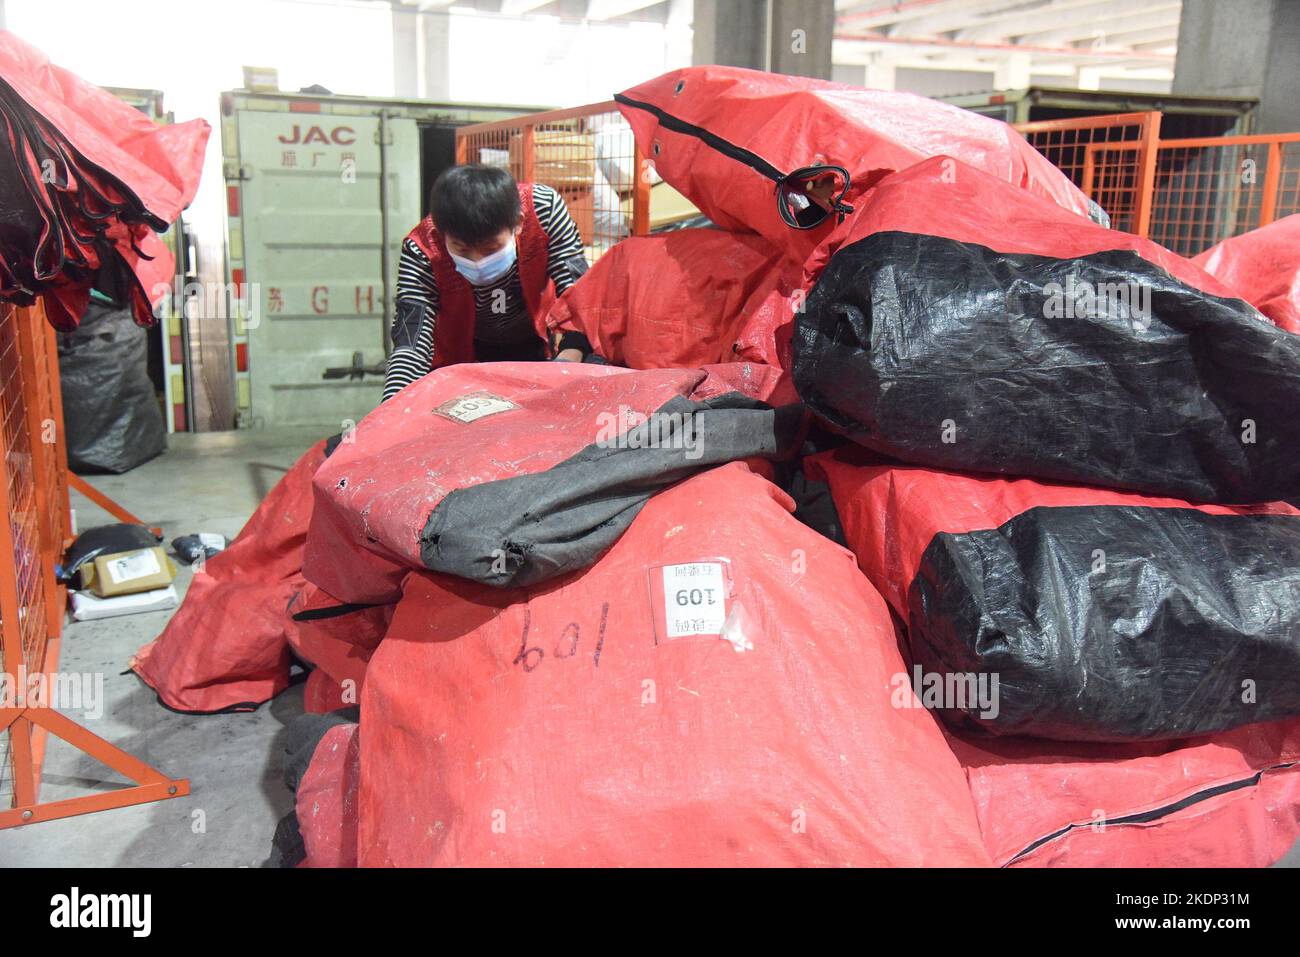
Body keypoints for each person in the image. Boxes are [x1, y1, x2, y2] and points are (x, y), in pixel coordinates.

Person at [383, 165, 592, 400]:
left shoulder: (544, 209)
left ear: (518, 223)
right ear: (442, 235)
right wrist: (391, 409)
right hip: (464, 355)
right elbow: (411, 343)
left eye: (491, 248)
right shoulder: (421, 248)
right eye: (461, 249)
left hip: (537, 341)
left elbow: (577, 295)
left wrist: (567, 361)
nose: (477, 261)